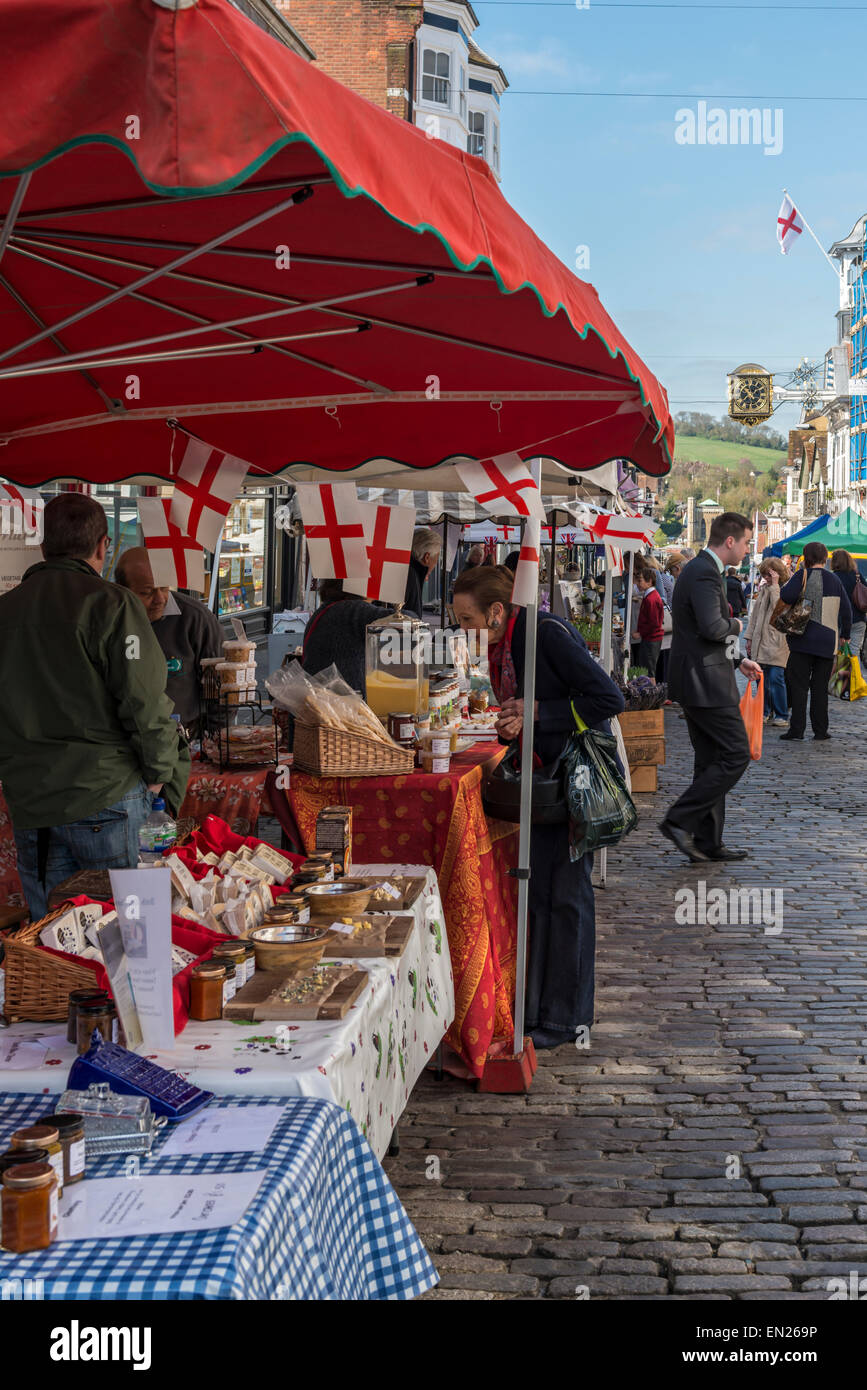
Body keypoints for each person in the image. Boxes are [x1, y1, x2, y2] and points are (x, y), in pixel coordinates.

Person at [452, 565, 624, 1049]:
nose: (463, 630)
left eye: (467, 620)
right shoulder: (509, 641)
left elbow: (608, 698)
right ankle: (539, 1011)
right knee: (543, 895)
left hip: (572, 782)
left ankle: (568, 1019)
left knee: (567, 897)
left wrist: (537, 713)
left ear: (497, 610)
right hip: (544, 779)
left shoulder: (545, 635)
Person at [0, 494, 189, 919]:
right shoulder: (111, 603)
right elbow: (143, 701)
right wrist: (160, 772)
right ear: (103, 547)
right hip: (106, 795)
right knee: (127, 934)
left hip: (33, 801)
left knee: (54, 938)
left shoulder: (6, 610)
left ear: (42, 544)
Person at [660, 512, 762, 863]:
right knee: (735, 754)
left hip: (702, 677)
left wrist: (739, 660)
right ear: (730, 541)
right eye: (747, 543)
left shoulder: (704, 569)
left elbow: (708, 632)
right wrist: (738, 622)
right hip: (704, 683)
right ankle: (679, 819)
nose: (749, 551)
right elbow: (713, 627)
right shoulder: (703, 571)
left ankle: (707, 842)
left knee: (710, 761)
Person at [115, 547, 223, 731]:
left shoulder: (196, 619)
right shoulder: (109, 619)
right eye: (147, 592)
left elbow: (222, 688)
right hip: (123, 739)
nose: (160, 599)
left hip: (185, 737)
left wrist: (213, 741)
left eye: (164, 588)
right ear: (123, 591)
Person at [778, 543, 852, 742]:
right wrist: (845, 634)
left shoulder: (801, 576)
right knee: (820, 689)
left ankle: (797, 729)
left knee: (799, 686)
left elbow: (786, 596)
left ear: (805, 557)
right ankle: (820, 730)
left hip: (801, 640)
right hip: (827, 641)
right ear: (824, 558)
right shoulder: (835, 580)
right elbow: (846, 610)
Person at [301, 579, 383, 693]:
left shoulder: (326, 609)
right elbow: (409, 619)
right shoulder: (355, 609)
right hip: (341, 702)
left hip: (321, 697)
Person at [745, 558, 789, 727]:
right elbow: (755, 616)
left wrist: (775, 585)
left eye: (769, 574)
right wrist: (749, 638)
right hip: (760, 640)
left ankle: (781, 713)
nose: (767, 578)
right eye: (764, 574)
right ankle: (765, 710)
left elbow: (778, 609)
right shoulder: (763, 590)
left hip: (776, 641)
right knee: (760, 678)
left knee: (776, 677)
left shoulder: (783, 589)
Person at [830, 549, 866, 667]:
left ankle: (840, 683)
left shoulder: (834, 577)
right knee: (854, 654)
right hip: (859, 620)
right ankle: (853, 682)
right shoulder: (857, 575)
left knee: (838, 655)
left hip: (840, 622)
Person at [631, 561, 664, 675]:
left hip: (651, 640)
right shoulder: (650, 596)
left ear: (649, 582)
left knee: (649, 672)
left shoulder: (651, 599)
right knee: (647, 669)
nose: (638, 584)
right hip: (650, 638)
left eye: (640, 581)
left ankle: (652, 692)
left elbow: (654, 623)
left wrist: (640, 633)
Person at [403, 527, 442, 618]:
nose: (436, 563)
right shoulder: (411, 575)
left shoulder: (409, 570)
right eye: (437, 558)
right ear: (427, 557)